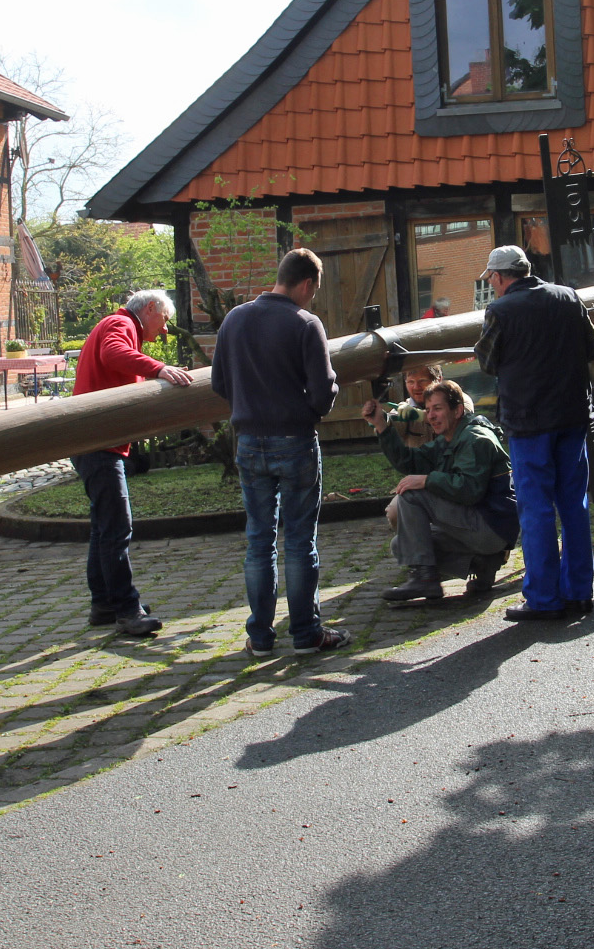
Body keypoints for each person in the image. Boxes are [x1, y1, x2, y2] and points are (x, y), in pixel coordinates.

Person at [211, 248, 353, 658]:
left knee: (259, 540)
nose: (312, 299)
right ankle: (306, 634)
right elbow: (324, 393)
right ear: (306, 284)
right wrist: (306, 411)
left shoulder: (234, 319)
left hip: (248, 441)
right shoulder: (306, 324)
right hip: (295, 441)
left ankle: (259, 636)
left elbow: (220, 382)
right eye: (314, 292)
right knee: (299, 541)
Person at [474, 245, 594, 622]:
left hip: (528, 421)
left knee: (536, 511)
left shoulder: (499, 311)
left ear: (500, 277)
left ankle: (544, 598)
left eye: (492, 280)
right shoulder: (568, 297)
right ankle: (579, 592)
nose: (493, 287)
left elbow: (486, 361)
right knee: (574, 506)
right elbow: (593, 349)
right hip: (571, 414)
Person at [71, 288, 194, 636]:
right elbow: (114, 354)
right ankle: (127, 609)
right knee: (117, 528)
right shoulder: (120, 323)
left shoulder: (121, 327)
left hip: (94, 442)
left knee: (103, 527)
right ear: (150, 308)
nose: (166, 330)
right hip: (99, 443)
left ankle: (104, 604)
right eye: (165, 320)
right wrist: (159, 368)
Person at [363, 378, 519, 604]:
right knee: (402, 545)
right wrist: (381, 425)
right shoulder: (449, 438)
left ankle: (425, 579)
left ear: (457, 411)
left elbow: (469, 490)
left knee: (412, 494)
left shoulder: (475, 438)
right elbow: (410, 460)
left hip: (491, 528)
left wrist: (427, 481)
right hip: (478, 527)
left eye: (437, 408)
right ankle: (484, 564)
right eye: (427, 410)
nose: (431, 416)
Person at [380, 362, 443, 532]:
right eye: (410, 381)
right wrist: (381, 422)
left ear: (438, 380)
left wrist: (421, 415)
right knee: (395, 512)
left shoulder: (456, 400)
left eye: (422, 381)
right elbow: (391, 426)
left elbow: (463, 413)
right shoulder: (403, 409)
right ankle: (415, 550)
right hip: (417, 484)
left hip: (452, 481)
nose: (416, 387)